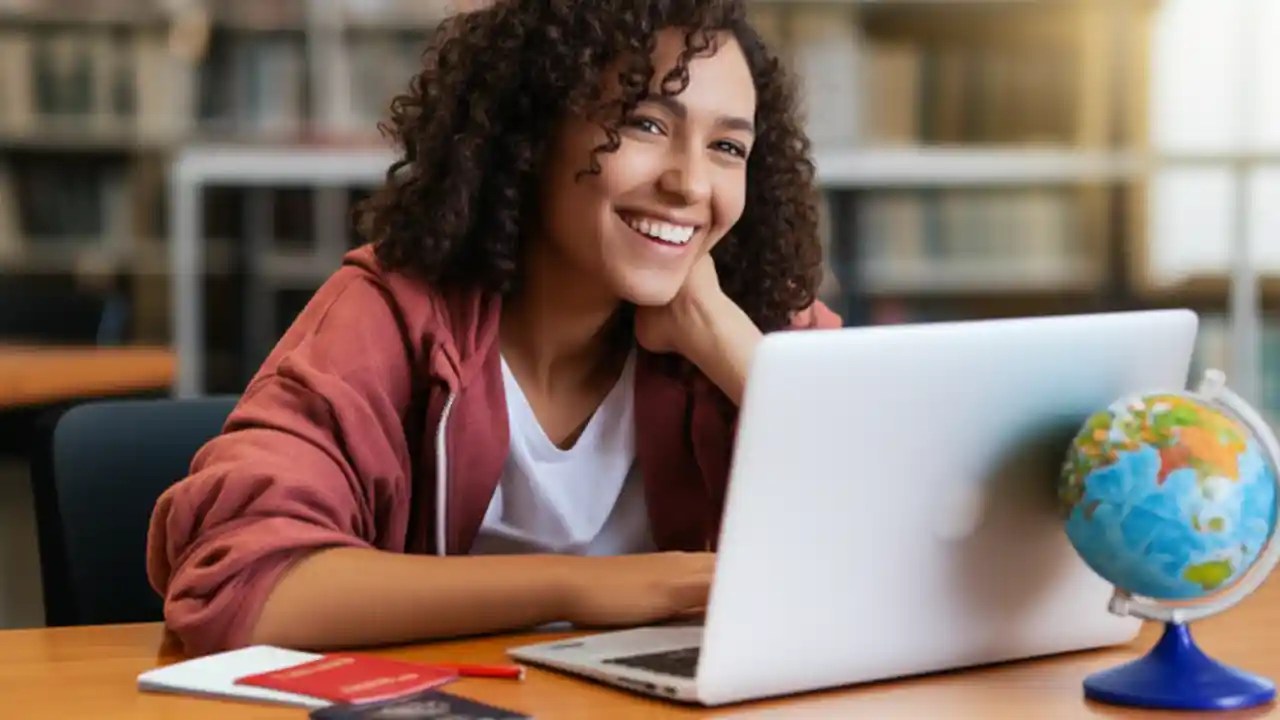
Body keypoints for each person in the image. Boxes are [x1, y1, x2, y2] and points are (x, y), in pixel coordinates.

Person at [146, 0, 840, 657]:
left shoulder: (752, 326)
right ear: (533, 130)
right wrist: (581, 587)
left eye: (727, 147)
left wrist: (723, 340)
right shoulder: (391, 317)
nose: (690, 184)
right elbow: (241, 584)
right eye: (647, 125)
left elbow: (928, 535)